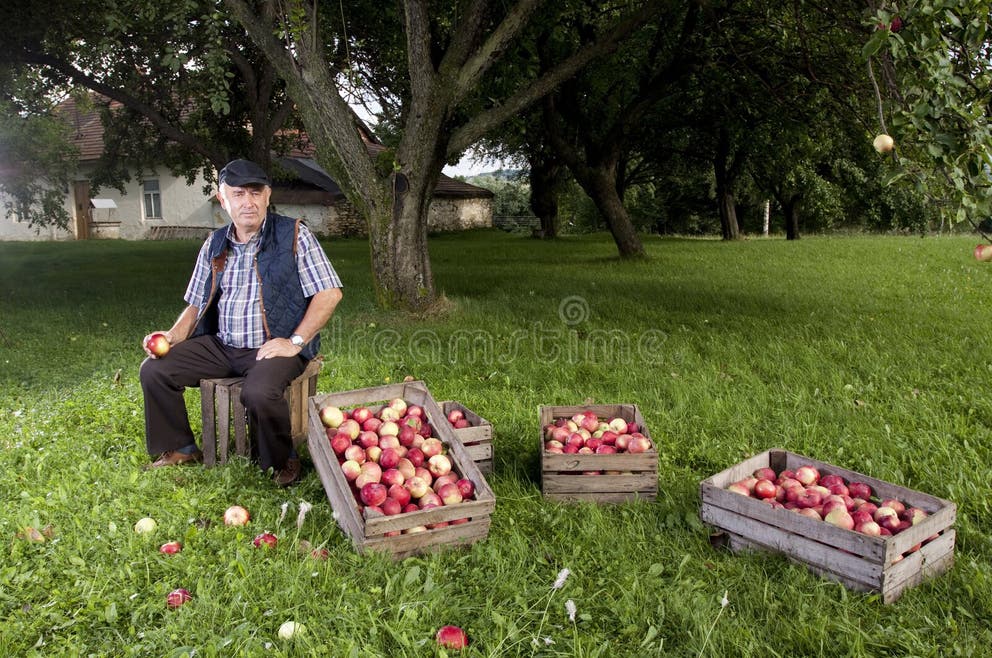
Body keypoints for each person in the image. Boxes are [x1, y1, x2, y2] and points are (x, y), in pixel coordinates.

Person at [139, 159, 343, 486]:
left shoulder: (294, 235)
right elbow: (195, 303)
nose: (247, 202)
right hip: (223, 345)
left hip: (273, 345)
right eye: (238, 194)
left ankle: (282, 459)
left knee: (259, 391)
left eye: (255, 192)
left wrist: (294, 342)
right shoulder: (215, 243)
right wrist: (173, 335)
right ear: (223, 200)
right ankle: (181, 448)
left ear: (267, 196)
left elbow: (329, 293)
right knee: (155, 370)